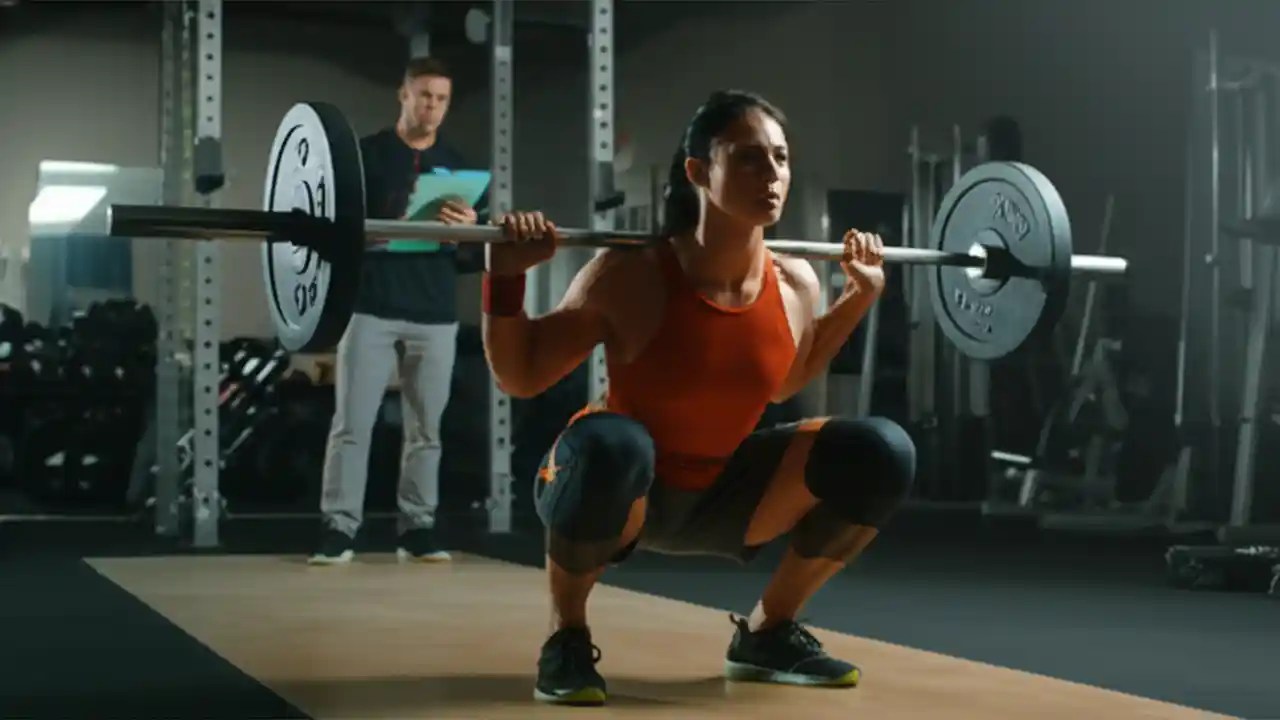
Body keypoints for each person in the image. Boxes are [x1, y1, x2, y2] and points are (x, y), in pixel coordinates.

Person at [481, 89, 917, 706]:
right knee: (612, 440)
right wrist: (505, 277)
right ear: (696, 173)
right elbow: (520, 377)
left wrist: (858, 298)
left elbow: (788, 380)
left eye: (781, 158)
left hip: (723, 494)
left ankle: (767, 634)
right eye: (748, 159)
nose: (772, 175)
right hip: (620, 485)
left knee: (882, 450)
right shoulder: (630, 275)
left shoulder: (794, 280)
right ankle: (567, 636)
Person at [310, 56, 487, 566]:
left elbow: (474, 254)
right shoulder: (364, 157)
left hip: (434, 311)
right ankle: (339, 529)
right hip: (370, 306)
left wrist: (469, 226)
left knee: (426, 427)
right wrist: (379, 230)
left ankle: (418, 528)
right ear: (403, 95)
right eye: (424, 95)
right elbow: (333, 229)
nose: (432, 106)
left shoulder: (461, 168)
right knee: (352, 423)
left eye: (442, 99)